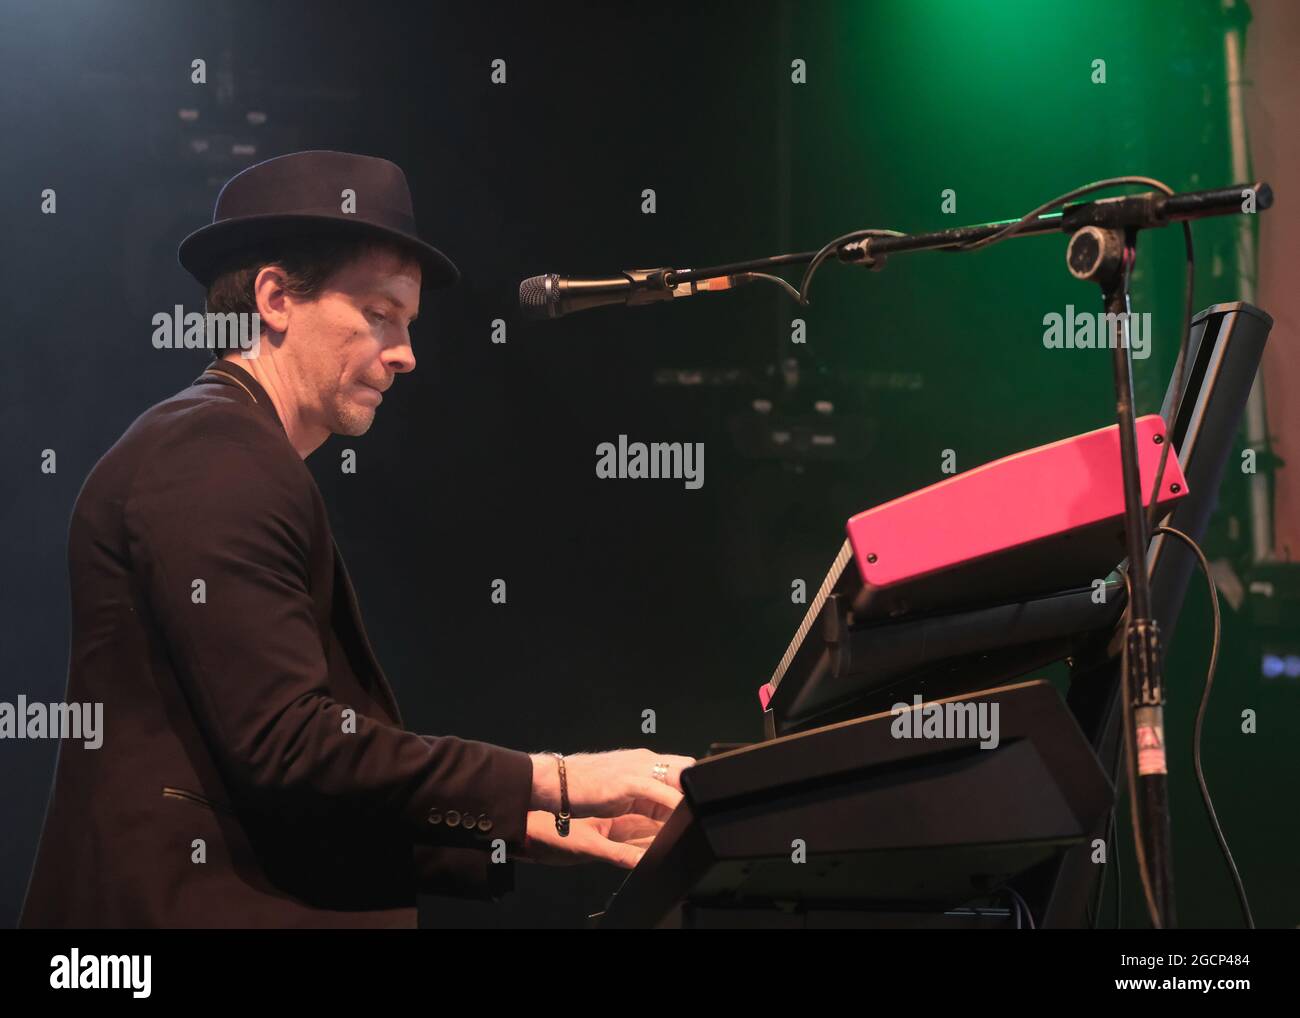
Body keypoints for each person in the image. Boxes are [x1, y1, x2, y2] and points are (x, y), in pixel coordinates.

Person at [21, 150, 694, 928]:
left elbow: (287, 787)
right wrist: (558, 781)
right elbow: (294, 748)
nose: (406, 354)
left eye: (407, 325)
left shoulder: (228, 448)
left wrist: (543, 829)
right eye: (380, 316)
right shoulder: (212, 453)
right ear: (275, 299)